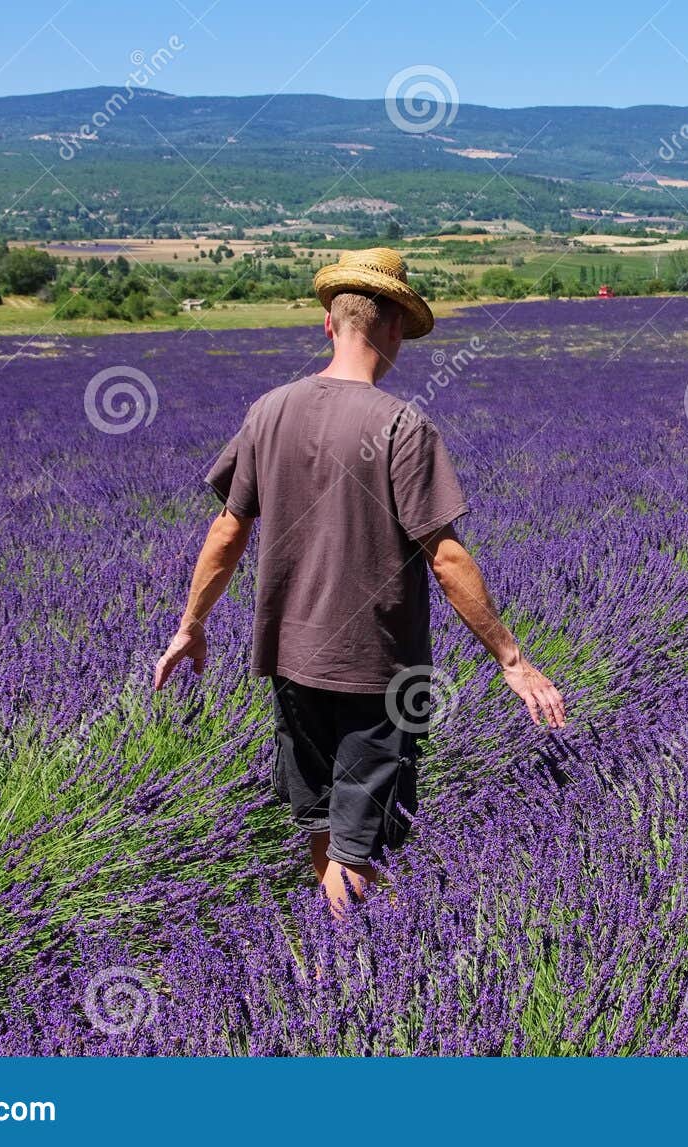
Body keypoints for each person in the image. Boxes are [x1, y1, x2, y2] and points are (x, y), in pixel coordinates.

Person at [153, 248, 565, 914]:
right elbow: (447, 558)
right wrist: (511, 658)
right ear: (396, 326)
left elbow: (228, 531)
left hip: (289, 661)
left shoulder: (268, 412)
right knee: (358, 842)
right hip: (379, 675)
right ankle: (337, 987)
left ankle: (343, 947)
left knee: (326, 822)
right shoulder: (403, 426)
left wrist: (190, 625)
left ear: (328, 323)